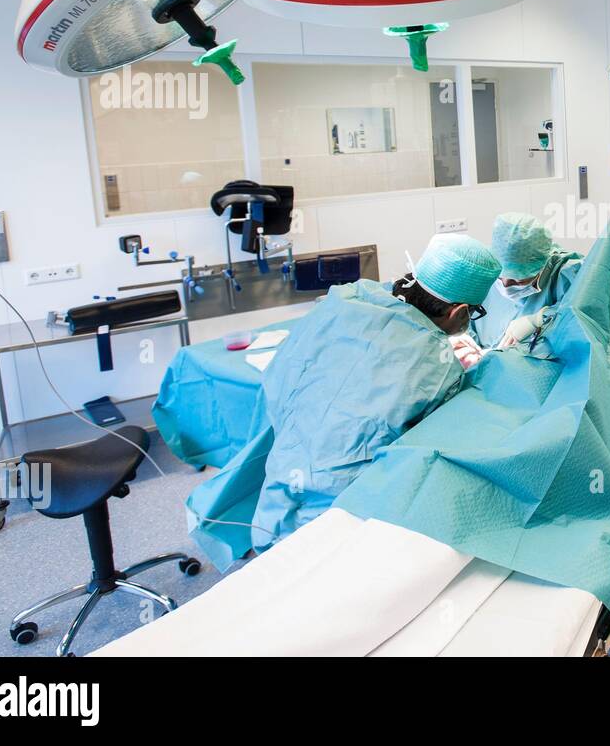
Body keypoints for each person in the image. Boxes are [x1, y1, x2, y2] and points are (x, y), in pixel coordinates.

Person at [186, 234, 502, 567]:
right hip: (347, 509)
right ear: (460, 311)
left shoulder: (347, 299)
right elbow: (427, 451)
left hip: (281, 476)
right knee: (320, 569)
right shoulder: (435, 367)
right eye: (474, 315)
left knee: (283, 563)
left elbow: (282, 378)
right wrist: (448, 365)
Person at [473, 212, 583, 349]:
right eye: (500, 277)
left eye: (517, 281)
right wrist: (462, 337)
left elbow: (587, 311)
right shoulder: (482, 270)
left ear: (541, 267)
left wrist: (538, 319)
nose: (506, 285)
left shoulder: (567, 274)